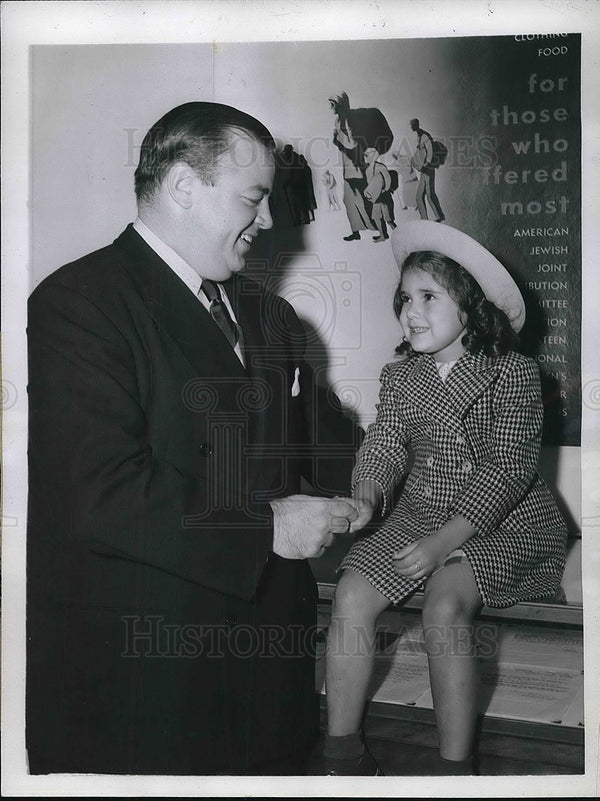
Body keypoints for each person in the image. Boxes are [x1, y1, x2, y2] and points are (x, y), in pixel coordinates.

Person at [26, 101, 362, 776]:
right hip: (148, 693)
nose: (267, 222)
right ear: (184, 186)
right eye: (254, 198)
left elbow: (327, 442)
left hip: (269, 689)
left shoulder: (270, 314)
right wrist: (265, 527)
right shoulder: (78, 303)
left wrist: (408, 457)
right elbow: (103, 491)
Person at [319, 221, 568, 776]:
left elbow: (507, 471)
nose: (412, 311)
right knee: (352, 596)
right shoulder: (402, 376)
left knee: (444, 606)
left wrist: (443, 545)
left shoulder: (515, 374)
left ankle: (458, 769)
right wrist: (367, 493)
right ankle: (343, 755)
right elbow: (384, 443)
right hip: (421, 513)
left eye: (430, 297)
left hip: (507, 522)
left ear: (472, 307)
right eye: (406, 298)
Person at [328, 91, 393, 242]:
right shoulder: (338, 120)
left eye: (332, 105)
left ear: (340, 104)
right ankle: (356, 232)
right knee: (349, 200)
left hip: (358, 165)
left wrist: (337, 138)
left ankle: (381, 229)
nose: (330, 108)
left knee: (368, 199)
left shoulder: (350, 119)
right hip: (348, 165)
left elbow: (351, 143)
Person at [410, 118, 445, 223]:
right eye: (411, 125)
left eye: (413, 125)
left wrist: (427, 164)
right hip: (424, 170)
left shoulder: (425, 136)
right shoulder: (419, 135)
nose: (412, 127)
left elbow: (430, 151)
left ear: (417, 125)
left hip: (428, 169)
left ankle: (439, 216)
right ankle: (424, 220)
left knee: (429, 194)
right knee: (419, 196)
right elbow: (423, 150)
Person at [363, 147, 396, 243]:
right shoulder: (368, 169)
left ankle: (400, 234)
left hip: (384, 197)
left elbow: (388, 179)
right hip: (376, 199)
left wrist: (385, 190)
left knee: (388, 219)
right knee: (376, 217)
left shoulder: (380, 166)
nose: (365, 158)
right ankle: (383, 235)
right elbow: (371, 184)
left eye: (366, 156)